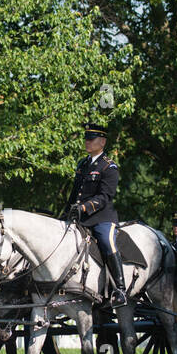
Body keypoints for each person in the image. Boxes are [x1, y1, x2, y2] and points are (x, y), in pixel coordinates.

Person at [62, 123, 126, 306]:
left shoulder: (109, 167)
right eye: (86, 139)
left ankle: (119, 289)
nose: (87, 143)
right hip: (80, 218)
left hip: (102, 218)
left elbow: (105, 196)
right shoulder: (82, 164)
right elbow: (75, 194)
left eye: (92, 139)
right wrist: (66, 214)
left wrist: (84, 208)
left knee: (107, 241)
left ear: (103, 142)